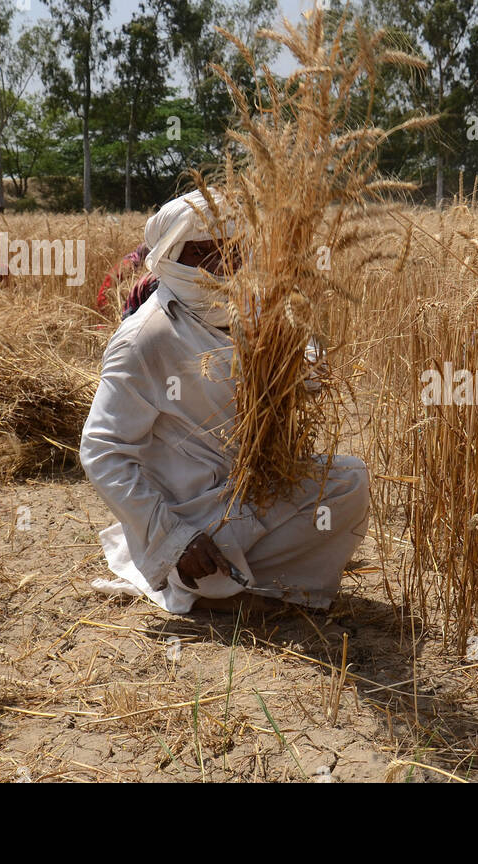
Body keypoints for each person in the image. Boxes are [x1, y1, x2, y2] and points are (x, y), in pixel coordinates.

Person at [79, 189, 369, 614]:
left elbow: (292, 357)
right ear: (171, 256)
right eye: (201, 251)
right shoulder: (146, 338)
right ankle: (217, 585)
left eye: (231, 249)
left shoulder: (247, 311)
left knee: (349, 484)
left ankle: (241, 583)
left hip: (249, 488)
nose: (220, 264)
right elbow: (103, 450)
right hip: (193, 513)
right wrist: (174, 538)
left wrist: (303, 371)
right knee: (214, 565)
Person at [95, 243, 150, 312]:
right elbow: (114, 289)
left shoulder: (131, 261)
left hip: (109, 300)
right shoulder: (129, 266)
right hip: (107, 302)